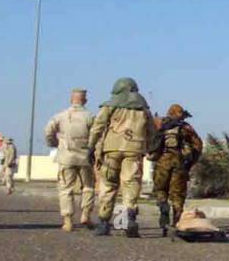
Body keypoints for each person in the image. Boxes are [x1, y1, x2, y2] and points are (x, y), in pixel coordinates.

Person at [88, 77, 155, 238]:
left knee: (108, 183)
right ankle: (129, 219)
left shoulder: (110, 105)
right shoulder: (143, 108)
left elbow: (98, 126)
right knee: (130, 183)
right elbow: (151, 131)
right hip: (135, 149)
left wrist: (91, 146)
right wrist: (149, 147)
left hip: (112, 148)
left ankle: (104, 223)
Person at [44, 88, 95, 231]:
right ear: (85, 100)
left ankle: (68, 221)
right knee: (88, 186)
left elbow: (48, 130)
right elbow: (98, 134)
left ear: (71, 99)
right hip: (85, 157)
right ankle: (86, 215)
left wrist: (53, 143)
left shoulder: (60, 116)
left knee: (66, 188)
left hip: (66, 156)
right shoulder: (90, 116)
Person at [149, 103, 203, 235]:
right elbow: (198, 145)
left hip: (162, 162)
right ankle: (177, 223)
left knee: (160, 189)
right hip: (179, 163)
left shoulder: (161, 126)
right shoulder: (185, 128)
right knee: (177, 195)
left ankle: (163, 207)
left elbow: (152, 145)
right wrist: (191, 161)